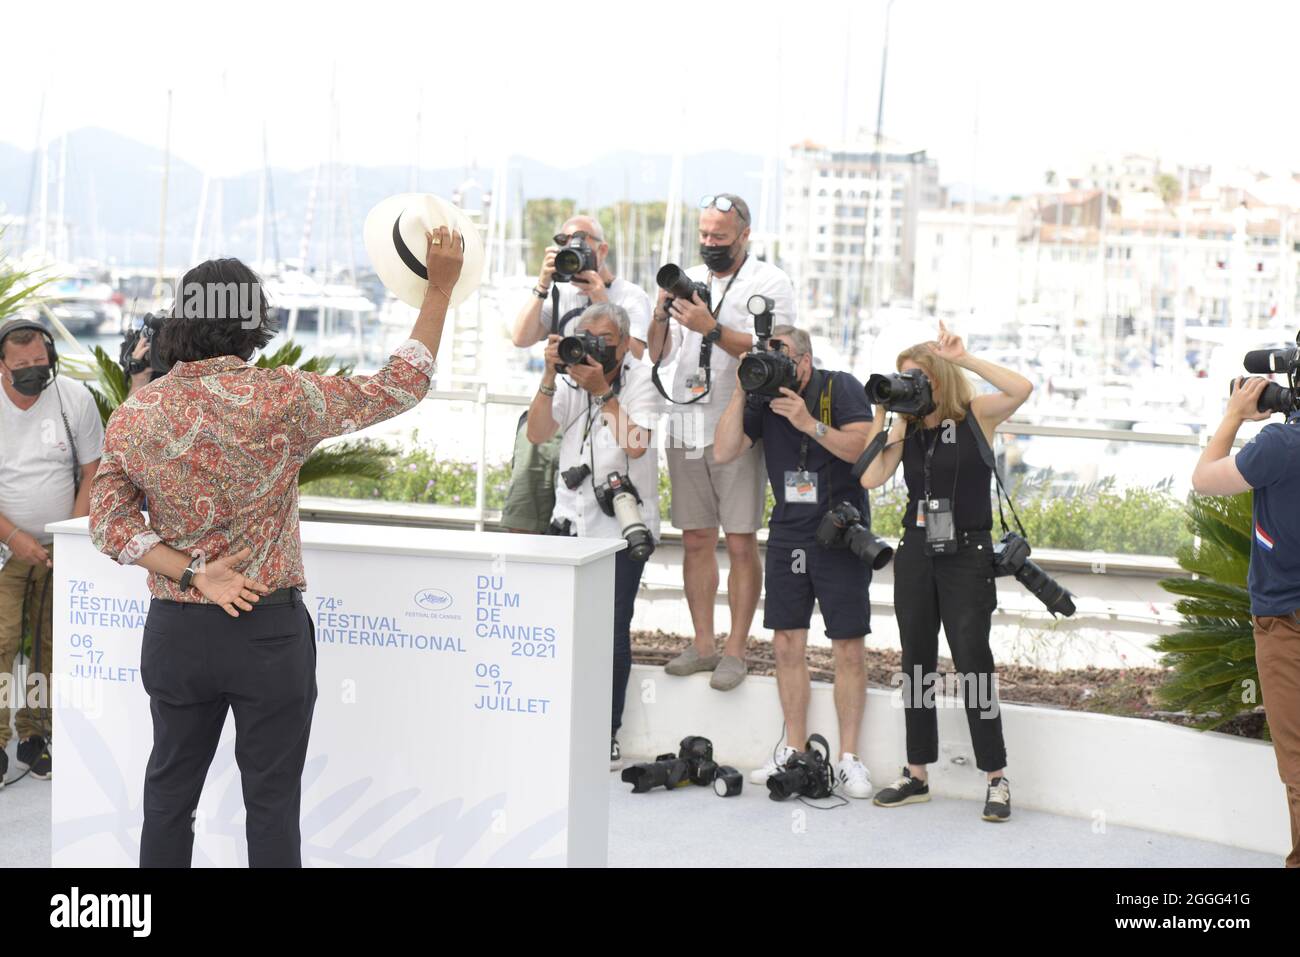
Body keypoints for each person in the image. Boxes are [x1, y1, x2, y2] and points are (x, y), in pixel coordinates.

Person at [89, 229, 463, 866]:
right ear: (252, 325)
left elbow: (108, 524)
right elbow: (401, 385)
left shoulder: (138, 412)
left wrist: (193, 574)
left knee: (168, 795)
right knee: (271, 802)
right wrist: (440, 289)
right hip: (266, 630)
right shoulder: (286, 396)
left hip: (177, 632)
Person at [858, 320, 1033, 822]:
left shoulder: (975, 414)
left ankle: (996, 778)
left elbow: (1022, 389)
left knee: (972, 660)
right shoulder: (906, 428)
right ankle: (917, 774)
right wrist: (884, 411)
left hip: (967, 551)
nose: (908, 384)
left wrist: (964, 358)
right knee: (915, 661)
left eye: (915, 377)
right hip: (916, 549)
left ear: (938, 379)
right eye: (902, 377)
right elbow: (870, 477)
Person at [713, 325, 876, 796]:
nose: (776, 362)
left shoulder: (838, 386)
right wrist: (744, 388)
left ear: (804, 361)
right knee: (786, 642)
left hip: (843, 532)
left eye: (782, 355)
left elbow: (862, 448)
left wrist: (808, 423)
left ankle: (848, 758)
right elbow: (724, 451)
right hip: (789, 533)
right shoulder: (762, 400)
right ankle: (795, 749)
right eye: (769, 355)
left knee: (848, 645)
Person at [647, 194, 795, 691]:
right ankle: (702, 643)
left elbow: (773, 352)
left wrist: (712, 328)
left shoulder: (769, 282)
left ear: (745, 235)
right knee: (694, 537)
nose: (710, 245)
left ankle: (735, 649)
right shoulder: (688, 278)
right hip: (685, 421)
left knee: (739, 539)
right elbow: (658, 353)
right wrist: (662, 315)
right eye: (705, 236)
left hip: (738, 422)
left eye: (720, 238)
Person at [525, 303, 659, 771]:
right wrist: (548, 374)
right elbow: (538, 433)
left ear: (623, 343)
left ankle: (606, 732)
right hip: (570, 520)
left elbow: (636, 442)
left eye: (602, 339)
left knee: (611, 631)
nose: (591, 346)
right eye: (583, 336)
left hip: (622, 528)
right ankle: (562, 723)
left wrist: (604, 392)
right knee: (563, 628)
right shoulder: (567, 377)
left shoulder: (642, 379)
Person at [1191, 374, 1300, 867]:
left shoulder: (1281, 444)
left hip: (1286, 624)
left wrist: (1236, 414)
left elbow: (1205, 478)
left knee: (1298, 764)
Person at [0, 319, 104, 784]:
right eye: (21, 366)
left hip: (59, 549)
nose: (32, 372)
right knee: (1, 644)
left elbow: (92, 472)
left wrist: (69, 535)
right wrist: (13, 537)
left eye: (39, 363)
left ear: (52, 360)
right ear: (2, 366)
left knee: (50, 648)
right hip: (5, 550)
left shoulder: (73, 398)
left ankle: (35, 736)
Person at [501, 215, 652, 535]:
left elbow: (636, 354)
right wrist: (542, 283)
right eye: (565, 242)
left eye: (583, 240)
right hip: (560, 403)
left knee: (597, 505)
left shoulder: (629, 295)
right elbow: (521, 338)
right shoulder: (559, 292)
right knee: (527, 512)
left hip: (607, 408)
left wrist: (601, 299)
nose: (574, 248)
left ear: (603, 248)